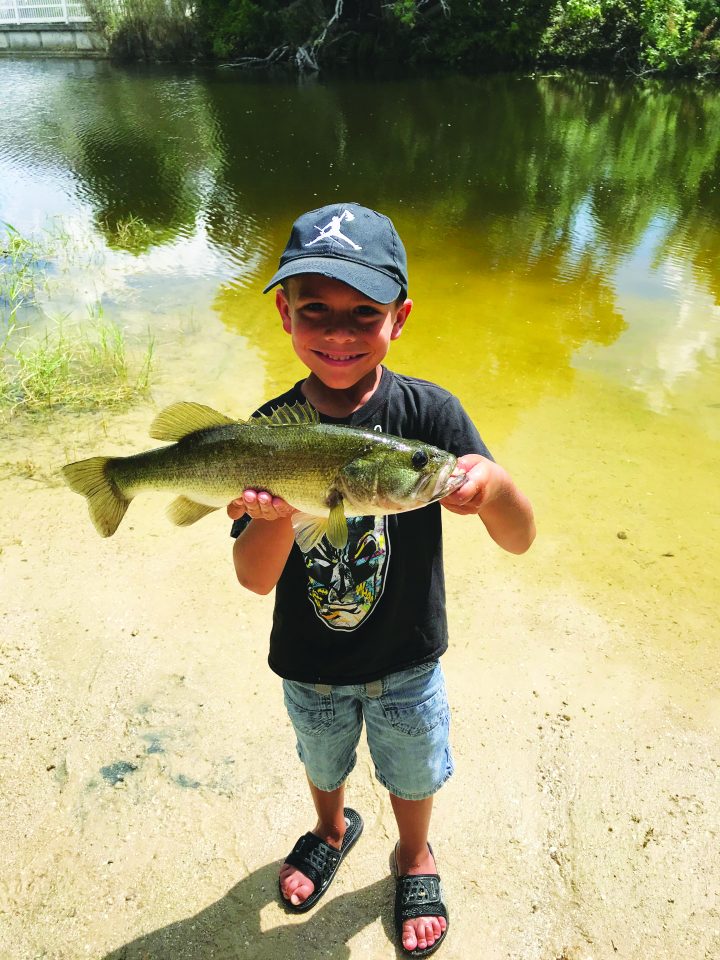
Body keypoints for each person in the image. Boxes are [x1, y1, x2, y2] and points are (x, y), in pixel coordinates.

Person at [227, 202, 535, 957]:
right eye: (315, 310)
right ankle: (331, 829)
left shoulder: (431, 418)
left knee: (413, 771)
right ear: (284, 314)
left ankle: (414, 853)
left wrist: (494, 488)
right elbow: (254, 580)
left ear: (400, 318)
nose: (339, 333)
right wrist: (274, 516)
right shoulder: (268, 431)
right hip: (310, 662)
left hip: (408, 660)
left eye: (364, 313)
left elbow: (520, 538)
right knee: (321, 760)